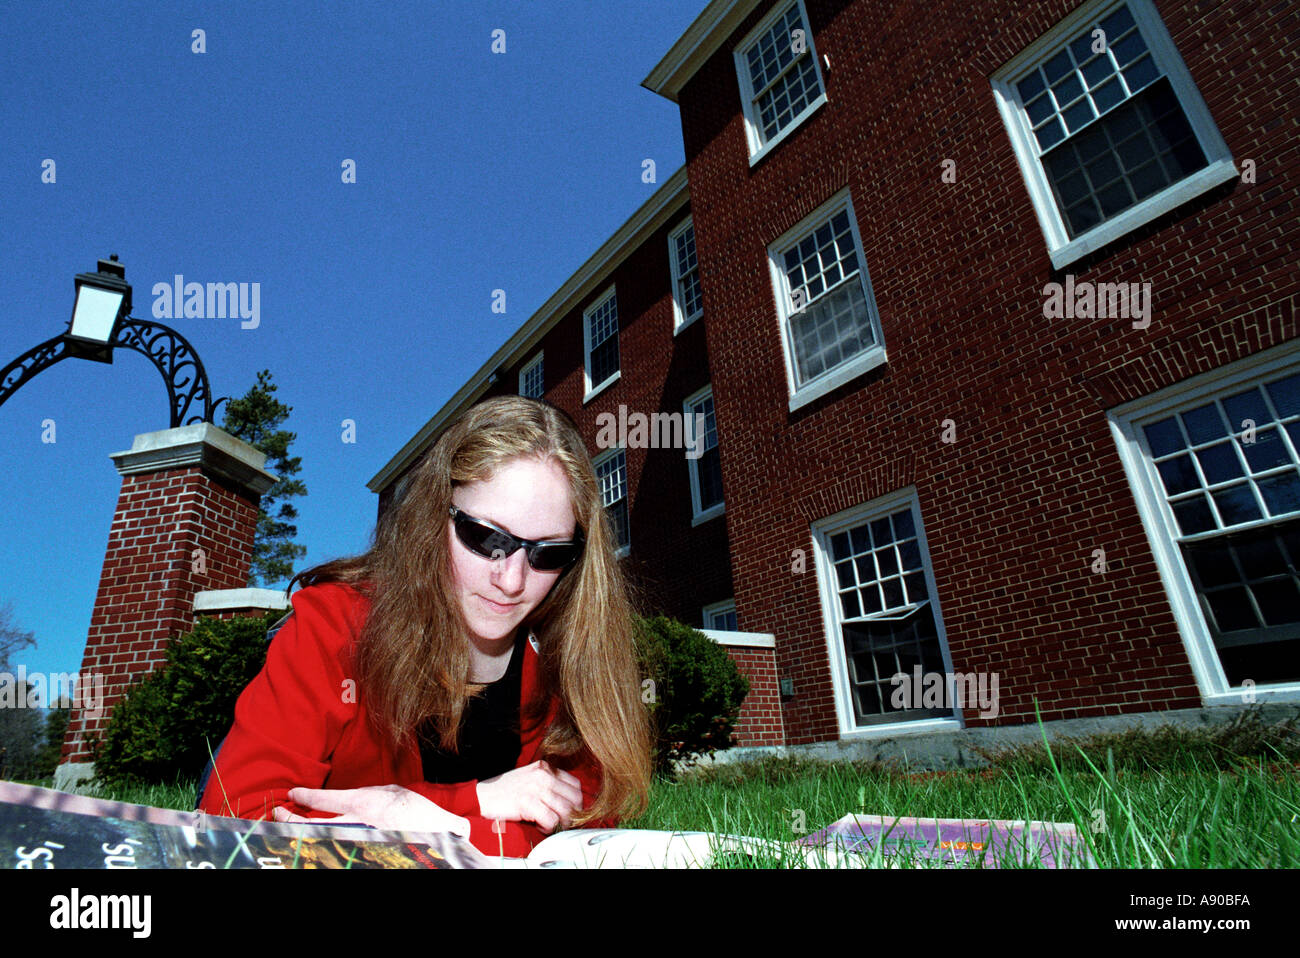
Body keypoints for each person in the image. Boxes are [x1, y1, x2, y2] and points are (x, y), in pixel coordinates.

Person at [198, 396, 652, 857]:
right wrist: (469, 804)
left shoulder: (563, 664)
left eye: (548, 553)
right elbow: (236, 821)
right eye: (486, 538)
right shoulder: (334, 626)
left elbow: (585, 839)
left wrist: (428, 822)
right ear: (435, 518)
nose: (512, 581)